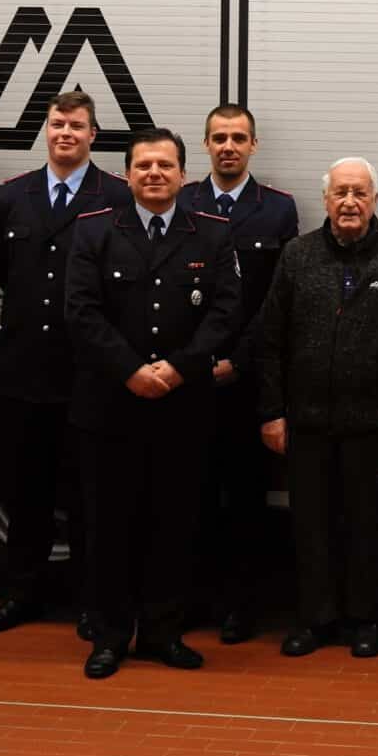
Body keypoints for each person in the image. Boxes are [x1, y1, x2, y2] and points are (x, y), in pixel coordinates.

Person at [66, 127, 241, 679]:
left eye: (165, 165)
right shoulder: (94, 229)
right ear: (126, 174)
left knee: (174, 524)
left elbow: (225, 312)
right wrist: (131, 371)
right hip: (111, 406)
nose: (154, 174)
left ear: (184, 175)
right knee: (109, 526)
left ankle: (164, 633)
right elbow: (81, 311)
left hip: (181, 406)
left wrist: (179, 367)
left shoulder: (212, 233)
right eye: (143, 165)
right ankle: (110, 636)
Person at [0, 90, 130, 639]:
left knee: (89, 496)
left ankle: (91, 602)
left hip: (88, 374)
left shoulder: (117, 195)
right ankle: (21, 594)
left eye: (77, 125)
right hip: (21, 370)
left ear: (93, 135)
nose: (66, 133)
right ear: (46, 129)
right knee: (25, 491)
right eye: (58, 123)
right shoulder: (13, 195)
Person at [258, 157, 378, 660]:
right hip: (305, 421)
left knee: (367, 524)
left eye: (359, 193)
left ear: (375, 200)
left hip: (373, 423)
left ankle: (365, 619)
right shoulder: (297, 255)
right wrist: (272, 411)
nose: (349, 202)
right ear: (326, 200)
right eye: (340, 193)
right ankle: (316, 619)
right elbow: (269, 340)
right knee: (310, 525)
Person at [178, 105, 299, 645]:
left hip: (247, 377)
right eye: (219, 137)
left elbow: (277, 301)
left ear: (254, 145)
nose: (229, 146)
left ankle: (239, 604)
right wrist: (196, 359)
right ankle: (192, 598)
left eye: (238, 137)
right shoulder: (182, 202)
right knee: (191, 493)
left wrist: (239, 360)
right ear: (206, 144)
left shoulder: (277, 209)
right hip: (190, 376)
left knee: (245, 497)